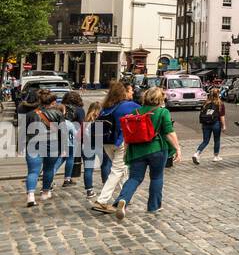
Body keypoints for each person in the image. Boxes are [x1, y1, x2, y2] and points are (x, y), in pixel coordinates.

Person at [112, 86, 180, 219]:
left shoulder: (135, 111)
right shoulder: (162, 112)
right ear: (160, 98)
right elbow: (169, 132)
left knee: (134, 178)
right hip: (157, 149)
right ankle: (153, 206)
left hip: (137, 150)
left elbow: (128, 135)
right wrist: (177, 148)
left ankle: (123, 199)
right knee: (156, 177)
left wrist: (126, 151)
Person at [91, 81, 140, 214]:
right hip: (121, 141)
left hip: (106, 141)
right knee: (117, 171)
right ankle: (102, 200)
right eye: (130, 90)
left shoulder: (107, 106)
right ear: (124, 92)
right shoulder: (129, 105)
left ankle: (124, 196)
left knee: (122, 169)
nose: (133, 92)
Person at [21, 89, 64, 207]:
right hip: (53, 146)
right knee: (49, 169)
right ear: (52, 102)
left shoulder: (30, 114)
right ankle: (45, 192)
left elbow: (23, 132)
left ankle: (30, 196)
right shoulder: (58, 114)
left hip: (33, 145)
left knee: (33, 171)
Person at [58, 90, 85, 187]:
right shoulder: (79, 109)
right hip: (73, 135)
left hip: (60, 134)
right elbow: (82, 124)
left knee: (61, 156)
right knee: (69, 157)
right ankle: (67, 179)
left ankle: (51, 176)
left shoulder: (62, 108)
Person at [193, 87, 227, 163]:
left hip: (205, 124)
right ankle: (216, 156)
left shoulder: (206, 103)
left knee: (205, 141)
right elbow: (222, 116)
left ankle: (197, 153)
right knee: (217, 140)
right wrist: (224, 126)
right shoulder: (220, 104)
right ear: (218, 94)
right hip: (215, 124)